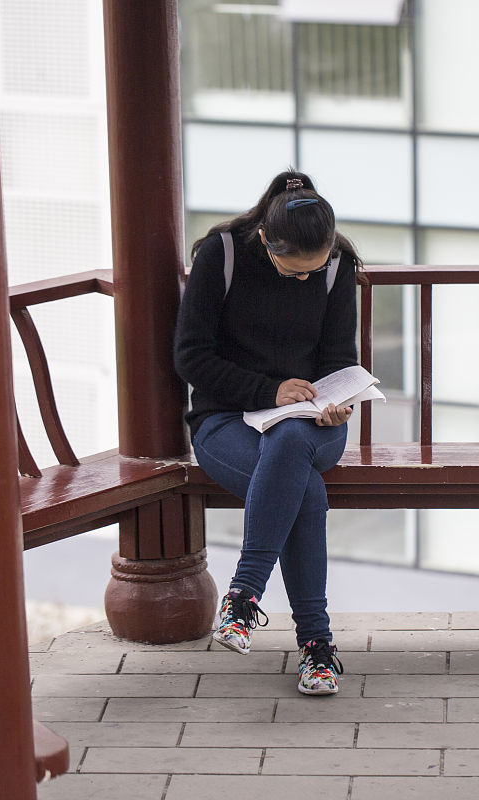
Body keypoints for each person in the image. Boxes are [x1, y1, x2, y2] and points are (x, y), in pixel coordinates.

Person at [174, 170, 361, 696]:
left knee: (291, 441)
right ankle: (317, 649)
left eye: (315, 270)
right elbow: (191, 357)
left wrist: (335, 402)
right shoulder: (222, 256)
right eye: (293, 270)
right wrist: (267, 391)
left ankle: (244, 595)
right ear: (265, 242)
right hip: (225, 421)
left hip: (312, 425)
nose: (306, 279)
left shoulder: (336, 265)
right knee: (302, 486)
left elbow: (337, 358)